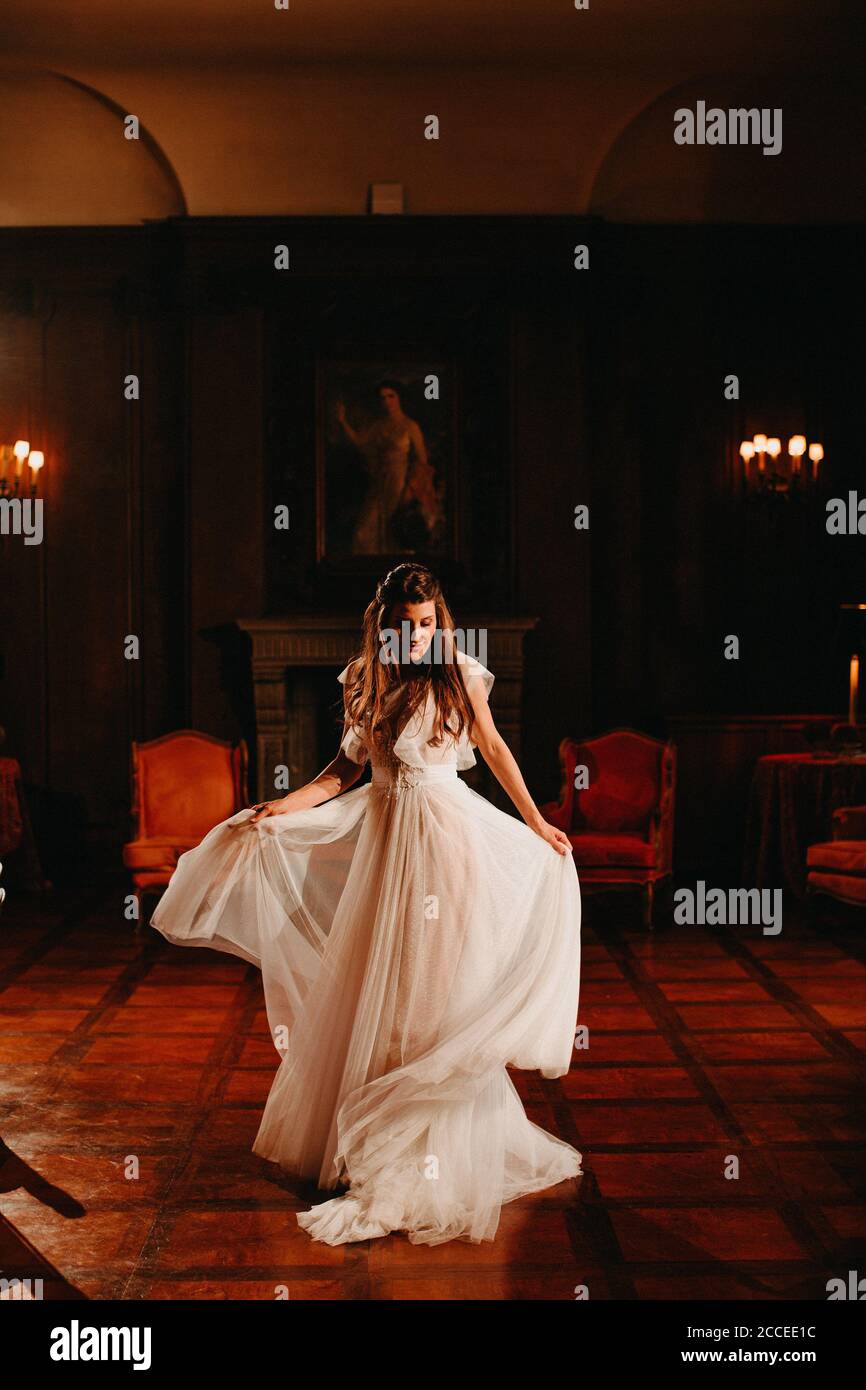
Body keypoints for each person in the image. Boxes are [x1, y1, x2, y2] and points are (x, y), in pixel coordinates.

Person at [150, 563, 582, 1247]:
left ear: (439, 620)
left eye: (427, 624)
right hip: (387, 850)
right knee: (383, 988)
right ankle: (372, 1138)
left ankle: (431, 1147)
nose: (417, 637)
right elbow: (341, 773)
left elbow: (494, 748)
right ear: (382, 626)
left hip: (448, 845)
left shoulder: (461, 676)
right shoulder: (364, 680)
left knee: (438, 992)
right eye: (404, 626)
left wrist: (534, 821)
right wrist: (280, 806)